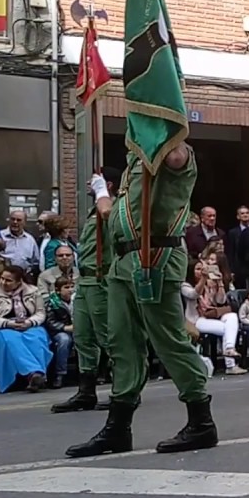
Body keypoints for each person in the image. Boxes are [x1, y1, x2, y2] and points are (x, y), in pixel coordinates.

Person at [66, 144, 219, 458]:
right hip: (124, 262)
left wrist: (163, 129)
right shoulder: (130, 172)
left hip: (154, 259)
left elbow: (176, 157)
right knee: (122, 343)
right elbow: (114, 216)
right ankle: (118, 427)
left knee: (168, 340)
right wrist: (102, 192)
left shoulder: (168, 154)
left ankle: (201, 420)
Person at [51, 166, 120, 414]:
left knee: (108, 336)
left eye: (96, 181)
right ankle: (86, 391)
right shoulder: (94, 212)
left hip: (102, 280)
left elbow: (111, 220)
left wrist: (103, 194)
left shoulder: (113, 208)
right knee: (83, 337)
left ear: (107, 185)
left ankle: (123, 390)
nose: (90, 184)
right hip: (85, 280)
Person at [0, 264, 52, 393]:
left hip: (27, 323)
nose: (3, 282)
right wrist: (8, 323)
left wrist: (29, 322)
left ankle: (38, 377)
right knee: (10, 339)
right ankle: (34, 373)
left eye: (8, 280)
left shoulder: (33, 291)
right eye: (2, 278)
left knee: (37, 337)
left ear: (19, 281)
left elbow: (40, 313)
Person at [44, 276, 76, 389]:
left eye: (72, 286)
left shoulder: (78, 299)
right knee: (64, 340)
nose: (70, 290)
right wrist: (65, 327)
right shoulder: (52, 302)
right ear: (58, 290)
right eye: (66, 287)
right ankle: (60, 374)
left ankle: (90, 373)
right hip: (58, 331)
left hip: (77, 329)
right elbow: (50, 322)